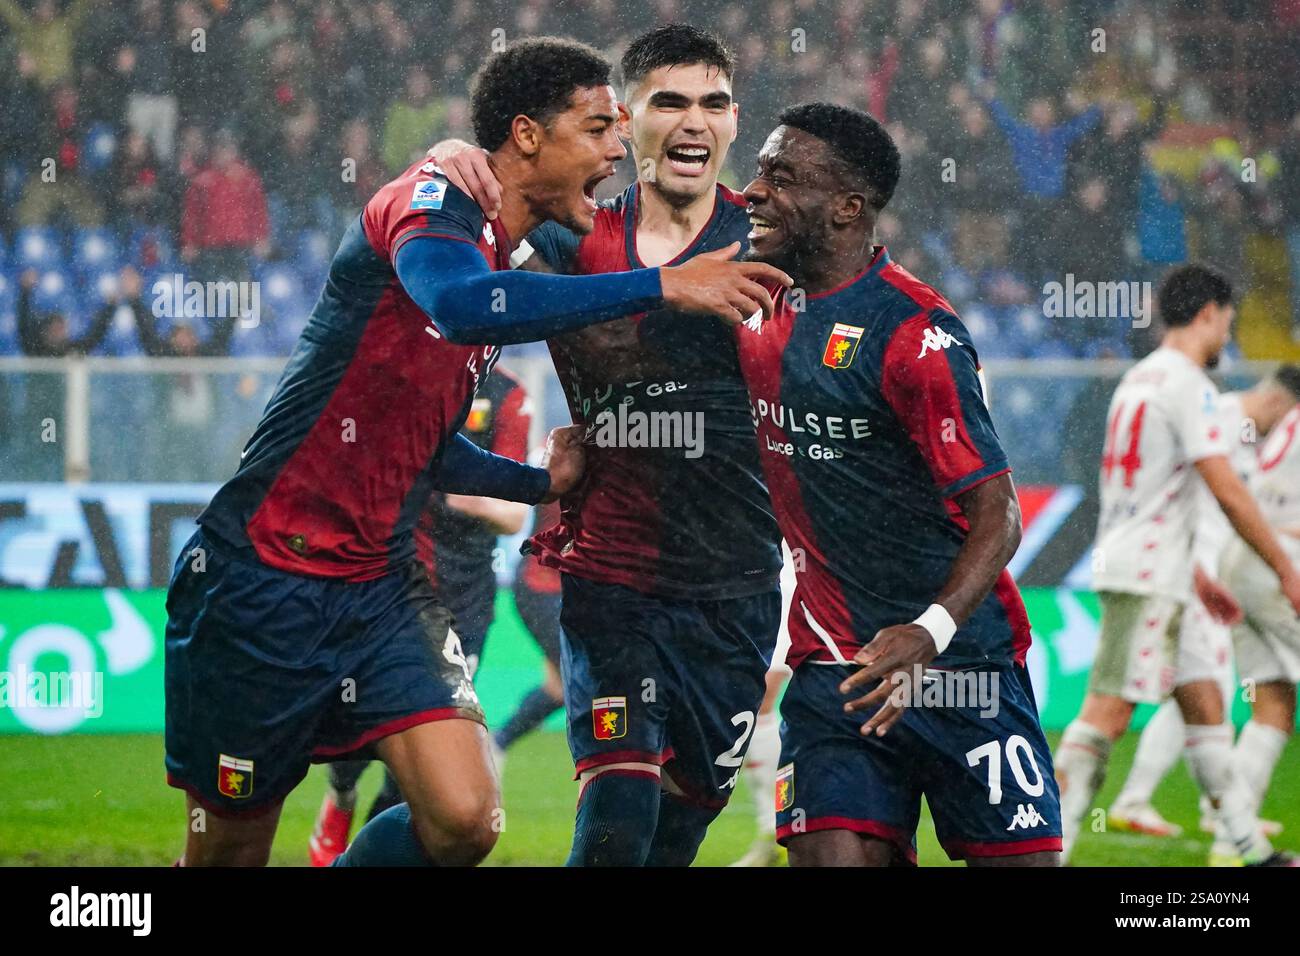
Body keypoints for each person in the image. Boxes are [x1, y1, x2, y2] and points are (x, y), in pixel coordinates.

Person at [163, 35, 791, 868]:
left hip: (381, 582)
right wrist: (665, 284)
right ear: (528, 137)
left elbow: (432, 448)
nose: (614, 152)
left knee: (466, 820)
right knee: (229, 850)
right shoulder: (429, 205)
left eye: (618, 128)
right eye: (600, 128)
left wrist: (538, 480)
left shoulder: (508, 249)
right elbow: (465, 305)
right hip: (266, 572)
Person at [437, 25, 787, 867]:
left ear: (735, 120)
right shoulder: (570, 238)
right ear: (627, 122)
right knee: (616, 824)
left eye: (711, 102)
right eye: (669, 101)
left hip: (736, 591)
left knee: (673, 841)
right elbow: (464, 248)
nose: (692, 121)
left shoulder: (779, 245)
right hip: (610, 579)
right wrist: (453, 158)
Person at [735, 103, 1060, 867]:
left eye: (779, 178)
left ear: (848, 207)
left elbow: (999, 515)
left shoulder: (917, 334)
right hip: (833, 670)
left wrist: (929, 632)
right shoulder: (750, 303)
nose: (750, 191)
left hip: (962, 670)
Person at [1057, 265, 1300, 867]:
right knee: (1108, 712)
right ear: (1210, 313)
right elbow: (1226, 489)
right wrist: (1285, 567)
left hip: (1165, 571)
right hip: (1146, 574)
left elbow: (1157, 488)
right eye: (1228, 323)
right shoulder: (1188, 384)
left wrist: (1199, 574)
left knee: (1206, 705)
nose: (1229, 337)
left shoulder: (1140, 379)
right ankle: (1045, 850)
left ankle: (1249, 849)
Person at [309, 365, 533, 866]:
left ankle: (361, 856)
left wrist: (467, 492)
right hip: (391, 592)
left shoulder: (509, 395)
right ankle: (340, 797)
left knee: (418, 772)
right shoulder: (408, 383)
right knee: (356, 732)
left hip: (466, 604)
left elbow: (515, 514)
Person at [1106, 370, 1300, 845]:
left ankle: (1224, 819)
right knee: (1171, 695)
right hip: (1199, 574)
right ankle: (1213, 821)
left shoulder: (1241, 425)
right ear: (1280, 402)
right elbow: (1214, 499)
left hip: (1218, 574)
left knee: (1228, 694)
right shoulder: (1224, 418)